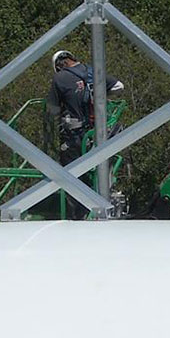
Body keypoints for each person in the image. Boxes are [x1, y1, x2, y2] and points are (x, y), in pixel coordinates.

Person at [44, 50, 124, 218]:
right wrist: (100, 97)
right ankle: (102, 204)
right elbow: (119, 86)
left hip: (73, 136)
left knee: (71, 174)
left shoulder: (60, 78)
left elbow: (52, 109)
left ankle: (79, 215)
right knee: (97, 169)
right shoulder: (92, 72)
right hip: (96, 133)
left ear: (59, 65)